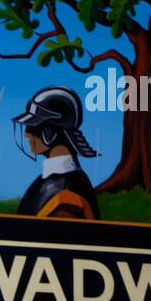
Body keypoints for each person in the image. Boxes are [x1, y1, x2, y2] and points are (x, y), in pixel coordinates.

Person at [12, 86, 100, 220]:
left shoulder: (68, 194)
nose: (26, 133)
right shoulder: (46, 181)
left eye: (33, 126)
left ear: (51, 132)